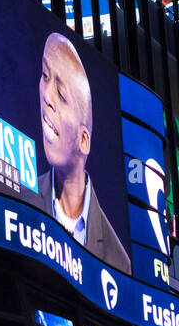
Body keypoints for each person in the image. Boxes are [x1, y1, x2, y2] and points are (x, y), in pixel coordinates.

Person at [36, 32, 132, 272]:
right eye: (45, 76)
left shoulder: (117, 261)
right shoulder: (16, 196)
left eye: (61, 94)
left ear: (84, 140)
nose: (46, 95)